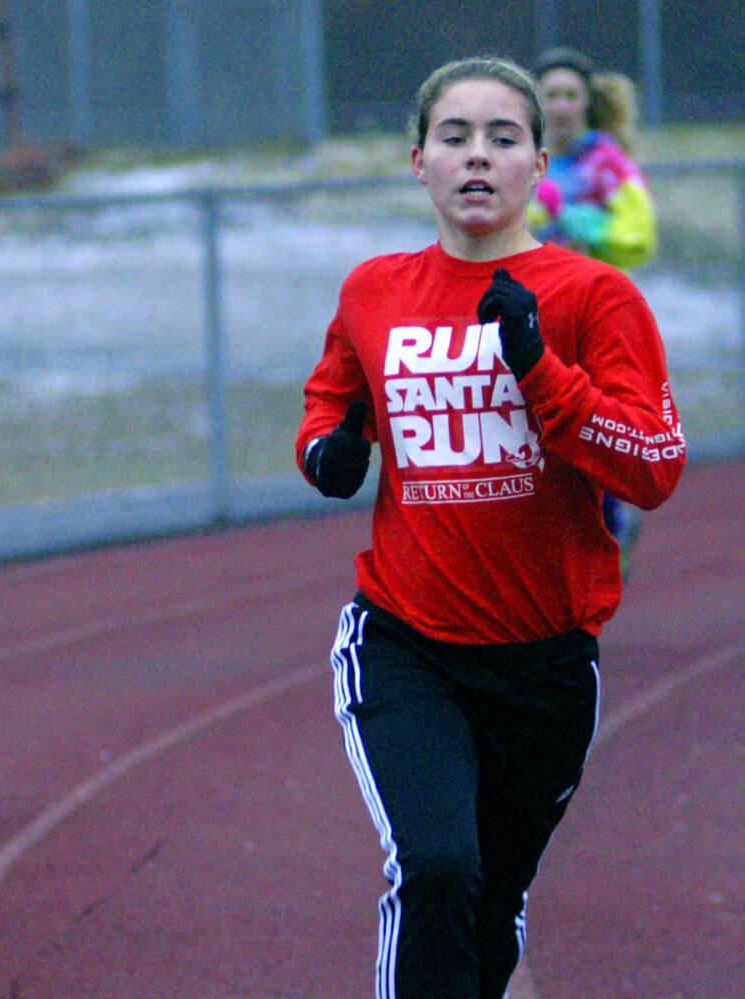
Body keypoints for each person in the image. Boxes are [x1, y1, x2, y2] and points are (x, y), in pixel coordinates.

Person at [295, 57, 685, 998]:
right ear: (417, 162)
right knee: (435, 868)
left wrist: (541, 367)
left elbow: (654, 466)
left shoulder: (596, 297)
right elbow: (327, 411)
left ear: (538, 166)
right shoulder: (374, 291)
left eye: (503, 139)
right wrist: (327, 456)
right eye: (456, 138)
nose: (479, 157)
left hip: (546, 661)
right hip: (408, 641)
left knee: (490, 900)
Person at [529, 46, 660, 569]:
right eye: (549, 95)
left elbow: (640, 236)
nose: (559, 105)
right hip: (532, 321)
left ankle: (611, 526)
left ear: (586, 103)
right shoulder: (517, 156)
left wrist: (589, 228)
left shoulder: (605, 163)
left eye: (569, 95)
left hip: (596, 321)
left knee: (592, 430)